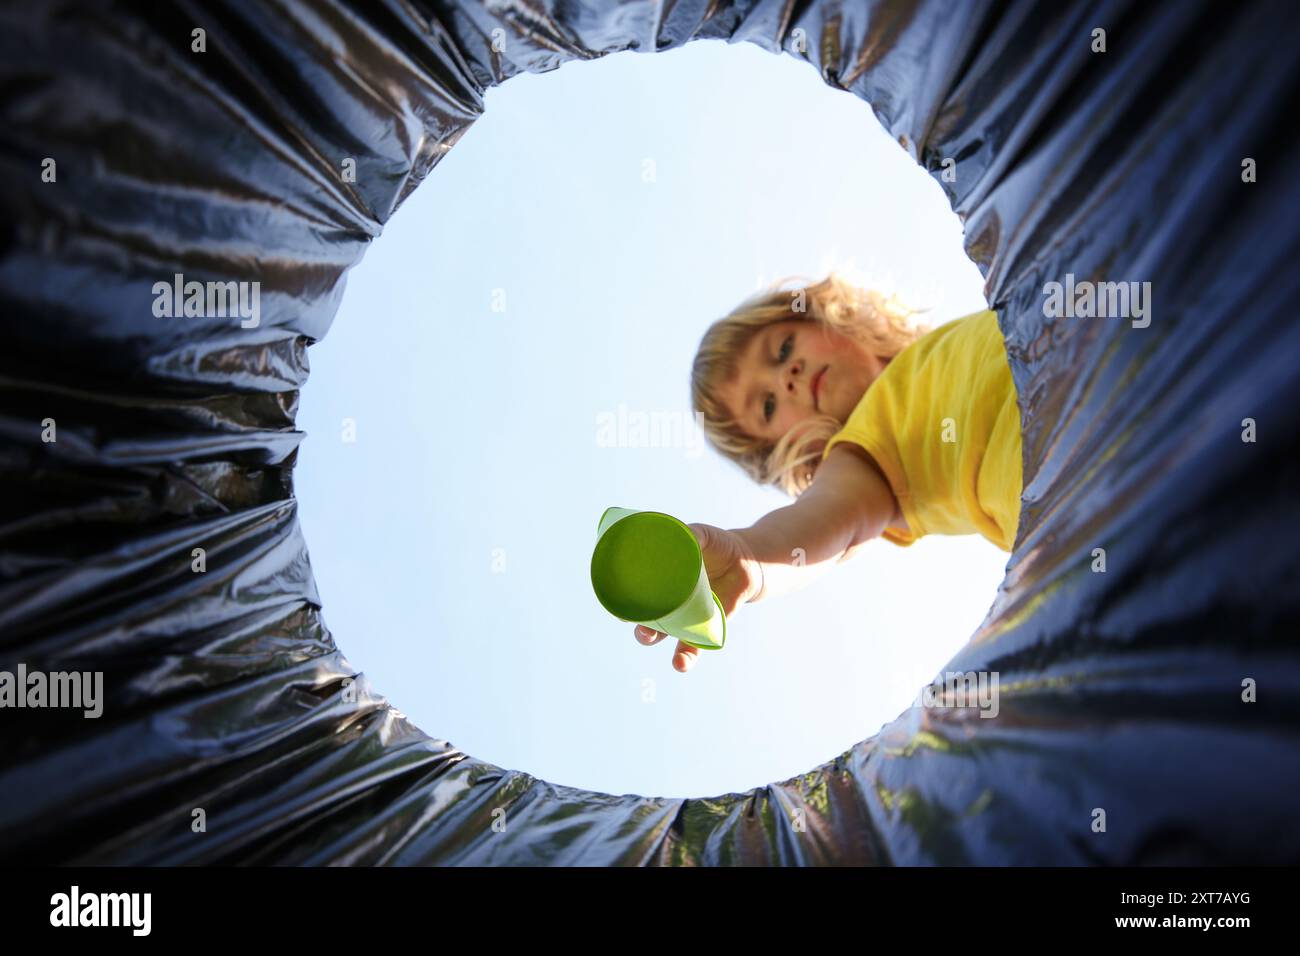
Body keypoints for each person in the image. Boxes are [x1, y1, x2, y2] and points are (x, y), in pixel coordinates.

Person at [634, 272, 1023, 673]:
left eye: (783, 348)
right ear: (788, 453)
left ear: (821, 315)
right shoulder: (859, 455)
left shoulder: (943, 345)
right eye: (767, 406)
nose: (786, 378)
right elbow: (820, 521)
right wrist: (750, 556)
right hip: (1071, 468)